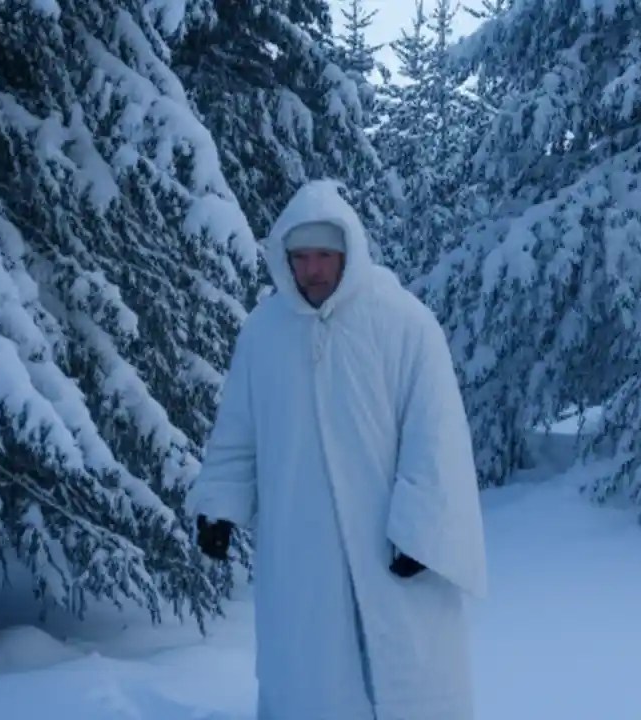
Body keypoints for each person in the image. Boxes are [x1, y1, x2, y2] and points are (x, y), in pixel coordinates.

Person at [185, 180, 488, 720]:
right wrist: (219, 507)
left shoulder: (404, 324)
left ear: (348, 252)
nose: (313, 271)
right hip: (301, 550)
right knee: (311, 676)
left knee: (407, 678)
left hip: (390, 548)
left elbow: (435, 432)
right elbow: (238, 431)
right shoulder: (263, 334)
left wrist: (420, 530)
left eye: (324, 255)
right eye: (301, 257)